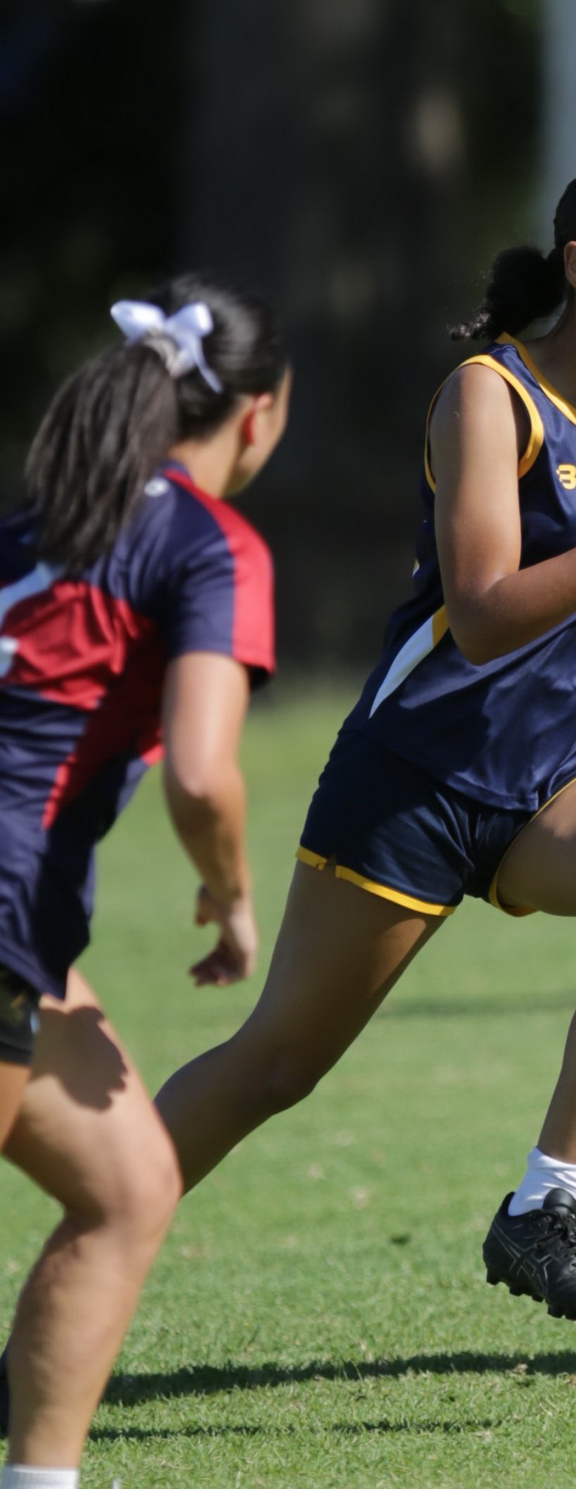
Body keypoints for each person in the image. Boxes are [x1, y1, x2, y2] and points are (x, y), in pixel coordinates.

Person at [150, 159, 576, 1337]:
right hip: (417, 773)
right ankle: (84, 1242)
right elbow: (484, 611)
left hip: (562, 770)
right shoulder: (489, 395)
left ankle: (543, 1210)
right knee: (277, 1066)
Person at [0, 279, 288, 1485]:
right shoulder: (208, 544)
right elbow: (204, 775)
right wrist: (229, 891)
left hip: (21, 934)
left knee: (127, 1183)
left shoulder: (31, 525)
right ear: (259, 417)